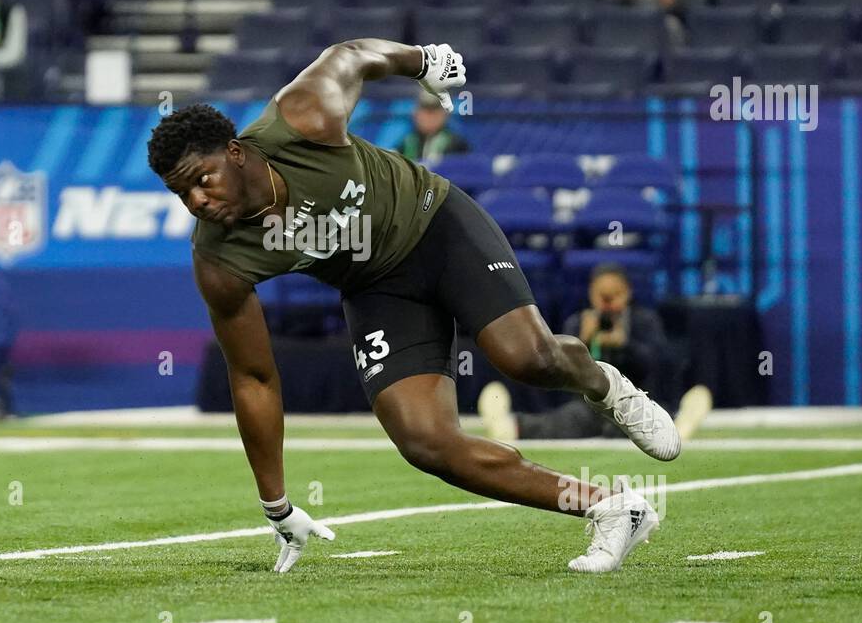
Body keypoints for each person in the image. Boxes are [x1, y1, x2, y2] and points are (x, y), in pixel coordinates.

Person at [146, 39, 683, 576]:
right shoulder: (219, 260)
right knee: (425, 442)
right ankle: (611, 508)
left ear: (235, 154)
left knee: (528, 360)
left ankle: (603, 384)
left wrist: (424, 61)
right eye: (181, 193)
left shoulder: (302, 118)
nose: (197, 200)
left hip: (436, 227)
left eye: (202, 179)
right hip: (377, 288)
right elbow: (253, 378)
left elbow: (351, 55)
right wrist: (276, 505)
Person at [477, 263, 714, 442]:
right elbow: (558, 371)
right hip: (588, 406)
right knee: (569, 421)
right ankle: (507, 424)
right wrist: (583, 342)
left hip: (636, 402)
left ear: (628, 294)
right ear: (591, 294)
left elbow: (656, 364)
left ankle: (681, 423)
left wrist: (625, 345)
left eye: (615, 295)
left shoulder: (644, 320)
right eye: (602, 296)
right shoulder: (578, 323)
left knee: (635, 427)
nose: (608, 303)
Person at [395, 90, 470, 165]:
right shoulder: (407, 142)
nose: (429, 117)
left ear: (445, 114)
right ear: (416, 114)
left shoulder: (456, 144)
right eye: (425, 111)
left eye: (434, 111)